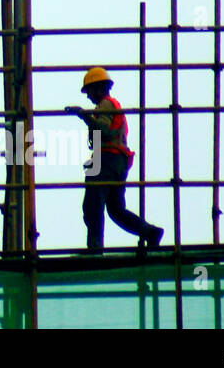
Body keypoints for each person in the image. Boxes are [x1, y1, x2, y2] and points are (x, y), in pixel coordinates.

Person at [65, 67, 164, 254]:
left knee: (93, 205)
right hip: (117, 161)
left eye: (89, 92)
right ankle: (150, 232)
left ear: (98, 88)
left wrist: (83, 115)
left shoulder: (106, 105)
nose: (88, 97)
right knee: (116, 209)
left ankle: (95, 248)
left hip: (107, 160)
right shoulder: (110, 106)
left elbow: (105, 129)